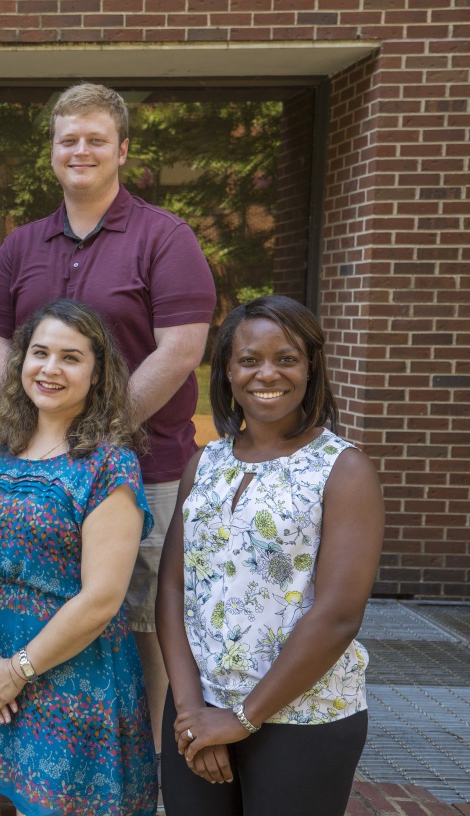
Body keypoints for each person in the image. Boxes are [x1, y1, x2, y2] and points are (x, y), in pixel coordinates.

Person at [0, 82, 216, 759]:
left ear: (122, 150)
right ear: (52, 153)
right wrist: (28, 420)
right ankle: (60, 766)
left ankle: (157, 776)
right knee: (49, 618)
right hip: (40, 475)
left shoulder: (164, 237)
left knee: (147, 630)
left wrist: (98, 433)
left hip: (146, 469)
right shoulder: (24, 245)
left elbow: (181, 350)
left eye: (95, 139)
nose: (80, 150)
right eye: (67, 139)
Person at [156, 295, 384, 816]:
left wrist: (240, 719)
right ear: (228, 371)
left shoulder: (343, 470)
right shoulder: (205, 463)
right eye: (249, 359)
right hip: (200, 710)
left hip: (305, 718)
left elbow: (338, 616)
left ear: (311, 368)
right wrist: (192, 710)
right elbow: (173, 589)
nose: (267, 373)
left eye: (287, 358)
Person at [0, 299, 158, 816]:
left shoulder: (111, 464)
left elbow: (102, 598)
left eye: (70, 357)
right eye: (39, 353)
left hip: (73, 672)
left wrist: (17, 670)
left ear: (97, 374)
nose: (50, 369)